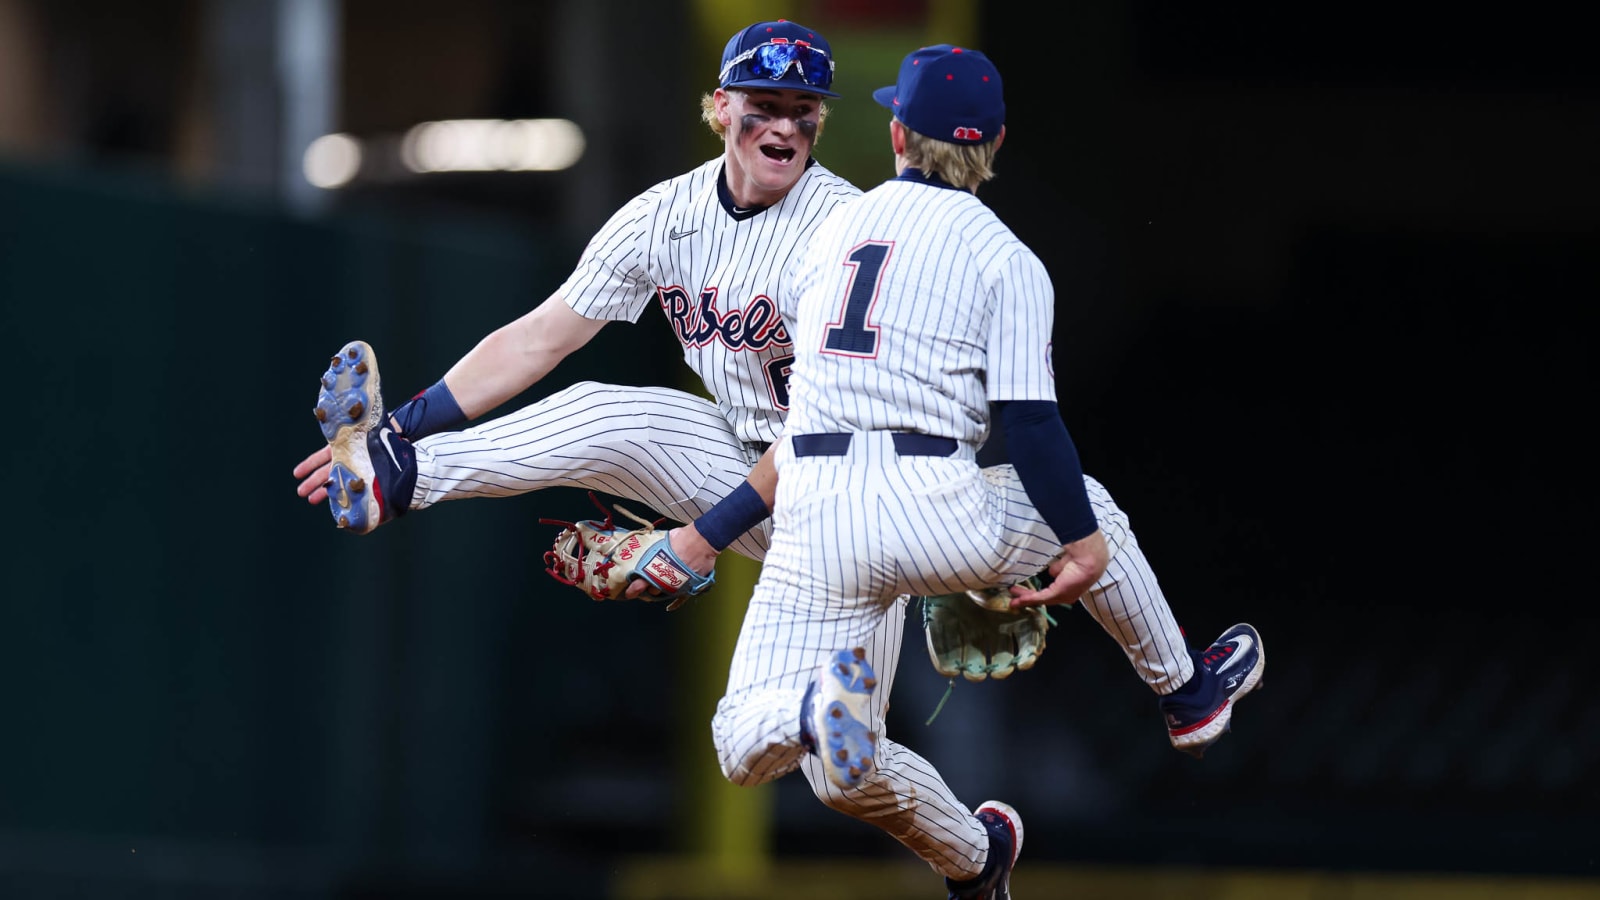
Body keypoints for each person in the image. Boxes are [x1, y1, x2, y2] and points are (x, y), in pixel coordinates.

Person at [702, 45, 1265, 899]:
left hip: (815, 506)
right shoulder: (1006, 257)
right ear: (994, 145)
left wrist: (707, 533)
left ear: (897, 134)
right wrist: (1079, 547)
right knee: (1091, 511)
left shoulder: (824, 232)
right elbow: (1032, 428)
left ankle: (808, 714)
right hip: (939, 501)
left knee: (741, 742)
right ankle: (1184, 697)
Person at [293, 19, 858, 577]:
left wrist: (699, 540)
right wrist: (392, 433)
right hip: (748, 459)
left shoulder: (845, 229)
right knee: (610, 412)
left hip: (847, 488)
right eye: (766, 104)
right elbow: (538, 339)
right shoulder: (665, 213)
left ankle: (401, 472)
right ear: (723, 106)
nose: (785, 127)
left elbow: (820, 430)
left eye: (803, 109)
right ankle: (396, 473)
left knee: (847, 651)